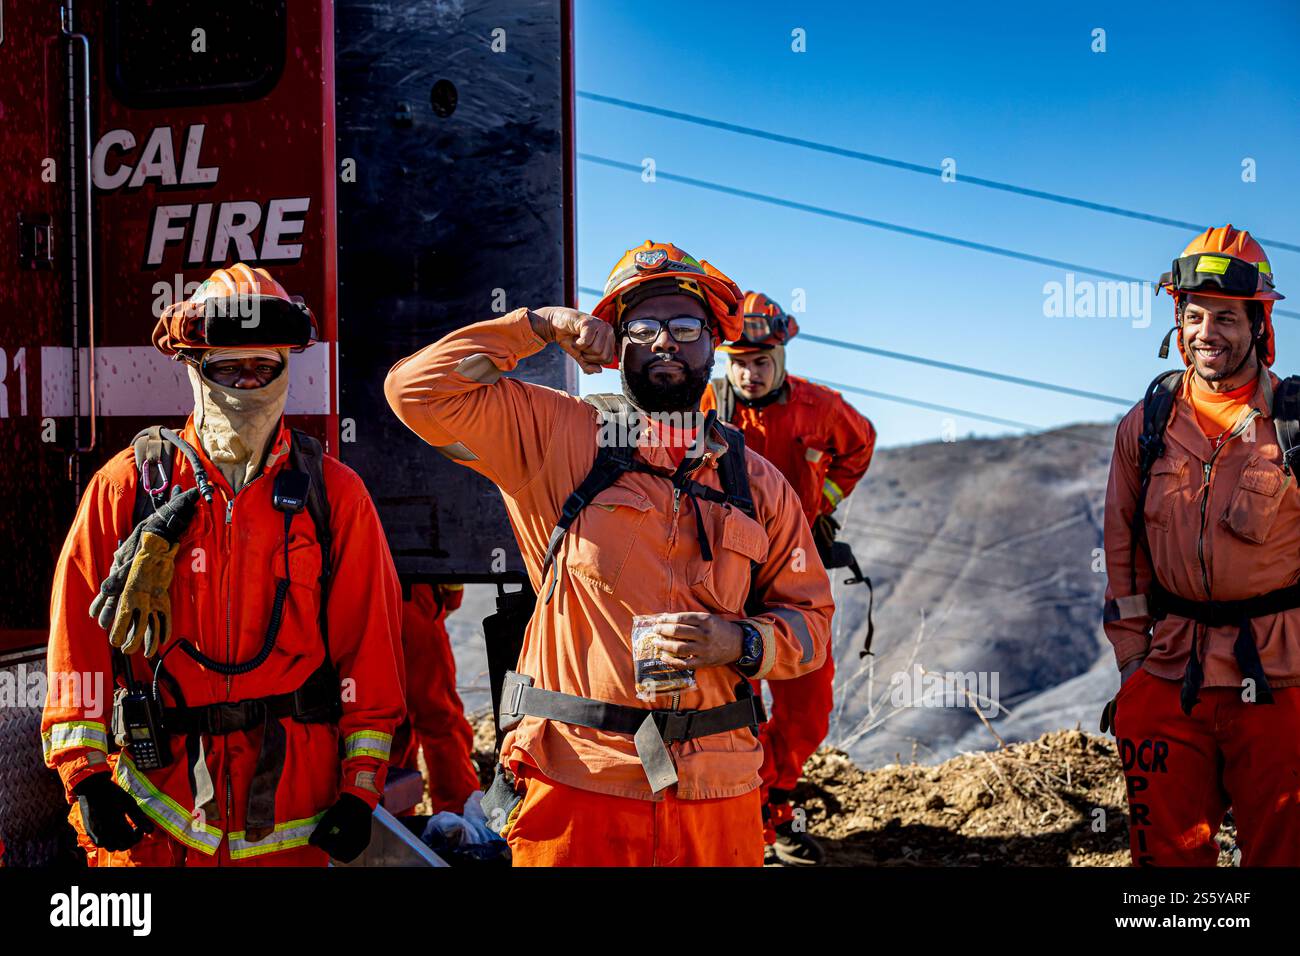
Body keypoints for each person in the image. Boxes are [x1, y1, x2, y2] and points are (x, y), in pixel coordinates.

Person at [386, 241, 834, 867]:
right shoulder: (558, 438)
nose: (665, 344)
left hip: (719, 793)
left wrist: (742, 644)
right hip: (577, 785)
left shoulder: (757, 483)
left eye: (684, 328)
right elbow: (415, 391)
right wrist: (538, 325)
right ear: (616, 342)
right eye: (643, 328)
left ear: (713, 343)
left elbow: (811, 622)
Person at [42, 264, 404, 866]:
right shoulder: (126, 488)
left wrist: (361, 787)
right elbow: (75, 645)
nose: (247, 383)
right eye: (227, 368)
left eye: (263, 367)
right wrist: (87, 780)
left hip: (291, 825)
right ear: (193, 368)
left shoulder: (334, 495)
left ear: (288, 368)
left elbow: (369, 649)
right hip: (157, 818)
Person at [1102, 225, 1300, 866]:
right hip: (1169, 676)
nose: (1205, 332)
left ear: (1258, 325)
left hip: (1280, 678)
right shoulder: (1148, 422)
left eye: (1224, 317)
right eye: (1192, 315)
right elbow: (1122, 549)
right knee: (1164, 861)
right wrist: (1133, 667)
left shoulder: (1294, 425)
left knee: (1283, 853)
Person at [701, 290, 876, 864]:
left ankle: (774, 801)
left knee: (807, 708)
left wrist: (823, 501)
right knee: (730, 707)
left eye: (761, 361)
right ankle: (747, 820)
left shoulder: (822, 407)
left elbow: (861, 445)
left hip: (796, 576)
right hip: (723, 579)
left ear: (781, 355)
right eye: (739, 362)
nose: (750, 374)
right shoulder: (705, 407)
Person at [392, 583, 481, 813]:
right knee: (440, 720)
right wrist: (452, 596)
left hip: (366, 600)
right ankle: (460, 821)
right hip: (415, 597)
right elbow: (451, 554)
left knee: (387, 725)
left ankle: (394, 825)